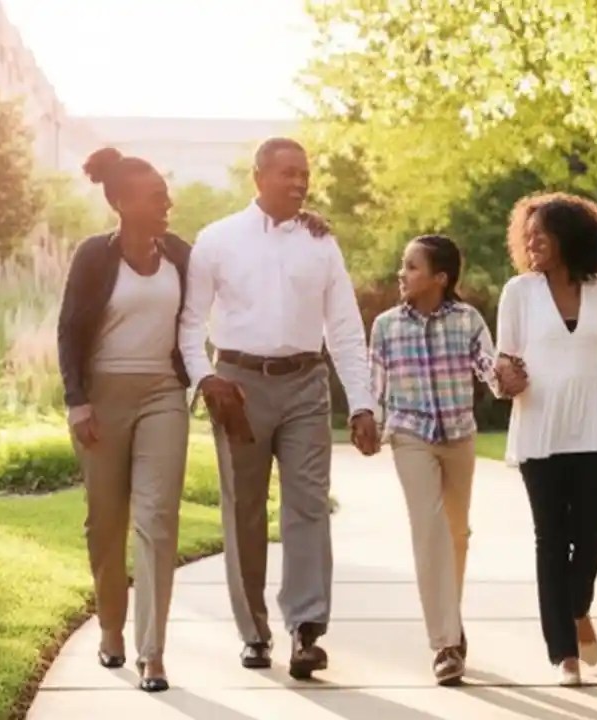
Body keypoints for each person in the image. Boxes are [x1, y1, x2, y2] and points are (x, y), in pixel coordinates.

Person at [179, 137, 380, 681]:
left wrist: (360, 402)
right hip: (237, 386)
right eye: (288, 173)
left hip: (305, 386)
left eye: (305, 174)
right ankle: (253, 632)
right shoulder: (217, 240)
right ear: (258, 177)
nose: (299, 183)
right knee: (243, 510)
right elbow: (190, 323)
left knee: (309, 505)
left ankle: (307, 629)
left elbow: (343, 327)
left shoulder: (321, 243)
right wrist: (206, 378)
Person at [56, 147, 191, 693]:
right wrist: (77, 400)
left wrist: (299, 225)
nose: (167, 202)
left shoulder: (181, 252)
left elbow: (238, 267)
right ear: (123, 203)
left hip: (164, 391)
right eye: (156, 195)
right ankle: (111, 628)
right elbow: (68, 329)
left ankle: (152, 652)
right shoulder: (94, 255)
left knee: (158, 520)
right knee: (105, 522)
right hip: (102, 397)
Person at [368, 234, 521, 686]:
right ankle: (445, 643)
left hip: (458, 435)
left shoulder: (467, 320)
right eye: (403, 264)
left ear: (441, 277)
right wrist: (369, 422)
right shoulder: (386, 325)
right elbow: (375, 384)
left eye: (412, 266)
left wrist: (506, 377)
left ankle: (448, 617)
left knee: (456, 534)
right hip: (410, 434)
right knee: (430, 528)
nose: (402, 273)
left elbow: (488, 368)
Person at [494, 192, 597, 687]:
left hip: (590, 424)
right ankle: (563, 654)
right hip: (539, 424)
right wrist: (504, 377)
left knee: (592, 535)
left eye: (541, 234)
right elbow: (504, 358)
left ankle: (576, 606)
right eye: (526, 234)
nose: (531, 242)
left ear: (569, 237)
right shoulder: (519, 292)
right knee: (551, 539)